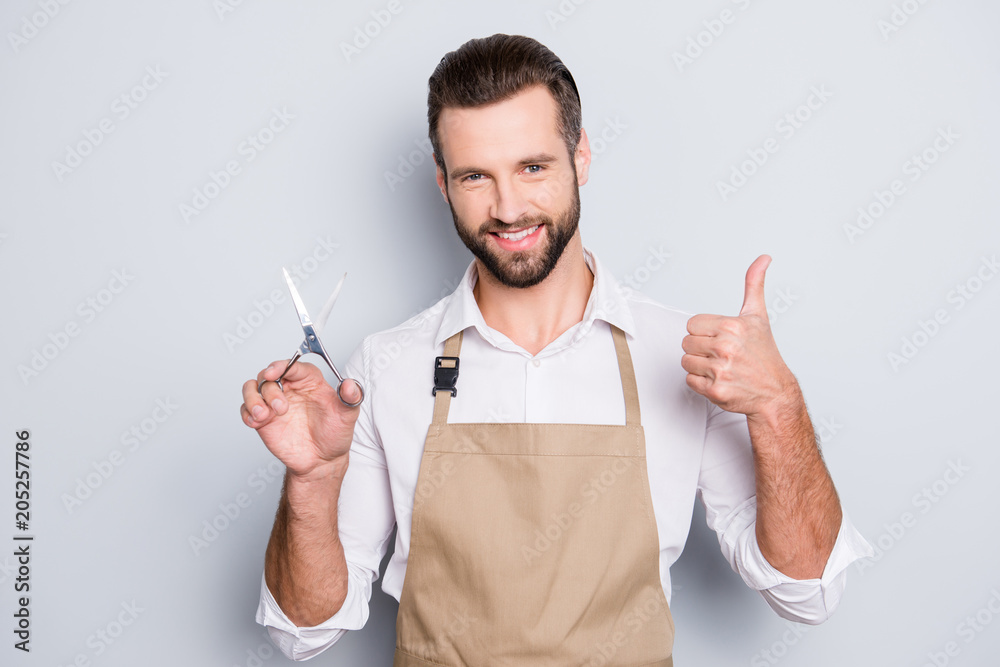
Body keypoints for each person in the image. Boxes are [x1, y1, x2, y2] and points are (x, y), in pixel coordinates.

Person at [240, 33, 872, 665]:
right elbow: (304, 633)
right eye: (475, 177)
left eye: (533, 167)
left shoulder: (685, 356)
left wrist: (779, 408)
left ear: (583, 156)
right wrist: (314, 481)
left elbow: (808, 593)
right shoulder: (386, 366)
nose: (508, 206)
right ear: (442, 183)